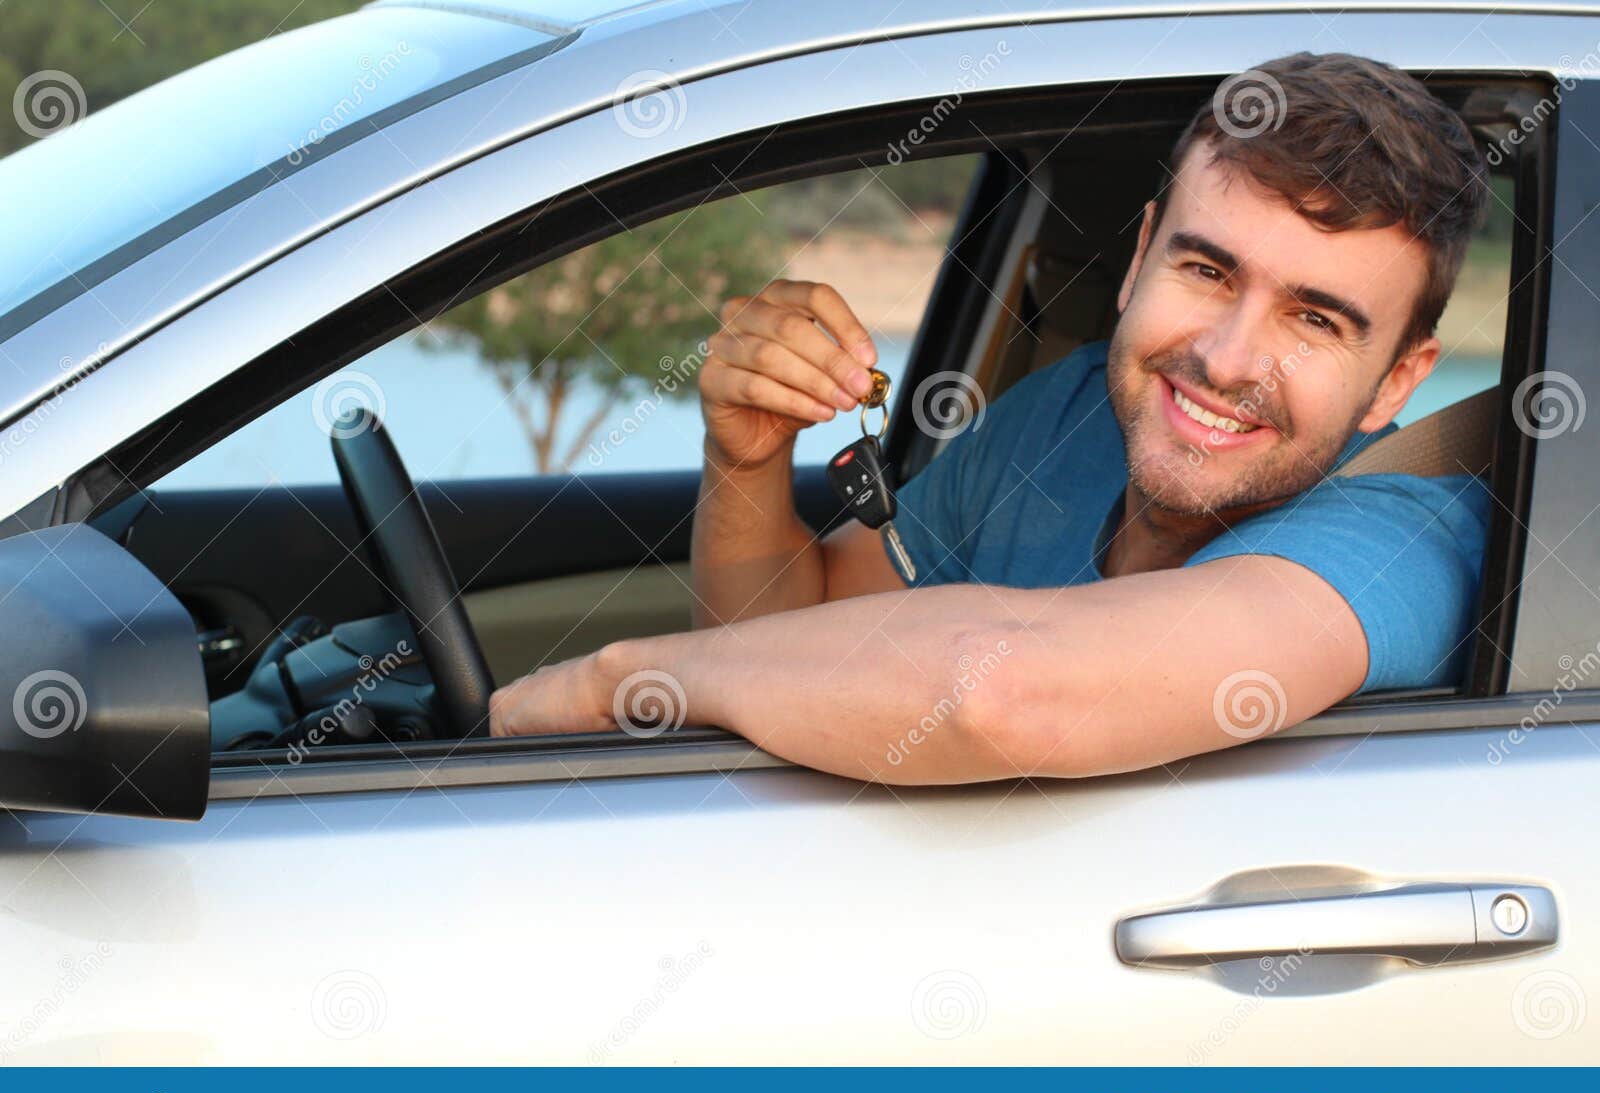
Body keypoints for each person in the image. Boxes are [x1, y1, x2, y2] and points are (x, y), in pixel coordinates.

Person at [487, 52, 1491, 785]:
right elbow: (785, 644)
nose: (1226, 359)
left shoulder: (1402, 539)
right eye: (1205, 269)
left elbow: (1000, 693)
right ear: (1138, 258)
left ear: (1398, 379)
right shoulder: (1069, 413)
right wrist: (748, 458)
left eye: (1313, 318)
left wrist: (617, 679)